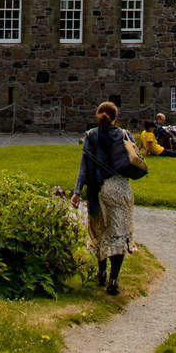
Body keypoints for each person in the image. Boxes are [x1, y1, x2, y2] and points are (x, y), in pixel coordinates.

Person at [74, 101, 139, 295]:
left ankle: (102, 272)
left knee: (100, 232)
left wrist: (77, 191)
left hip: (98, 188)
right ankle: (114, 279)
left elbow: (84, 167)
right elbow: (134, 159)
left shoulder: (91, 135)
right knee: (118, 233)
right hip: (120, 189)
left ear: (98, 115)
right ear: (115, 117)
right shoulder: (125, 134)